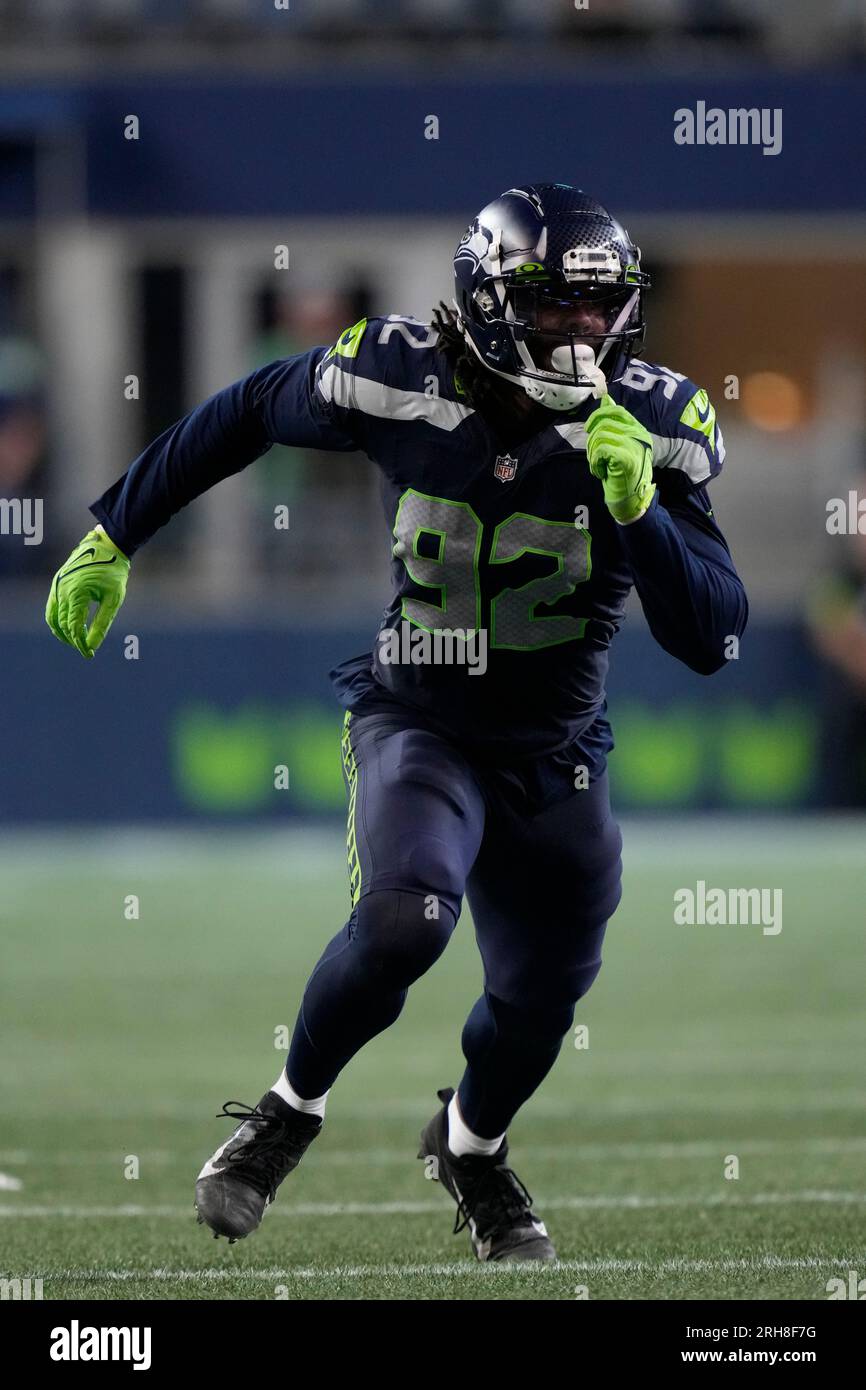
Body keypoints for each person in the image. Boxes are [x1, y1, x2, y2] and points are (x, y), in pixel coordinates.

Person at [45, 184, 748, 1263]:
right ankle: (287, 1113)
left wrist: (638, 510)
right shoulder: (397, 373)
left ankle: (471, 1147)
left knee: (540, 1002)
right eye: (553, 303)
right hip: (419, 714)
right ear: (490, 300)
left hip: (557, 751)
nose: (582, 328)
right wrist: (114, 533)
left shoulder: (652, 420)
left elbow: (710, 635)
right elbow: (247, 409)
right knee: (404, 922)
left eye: (599, 305)